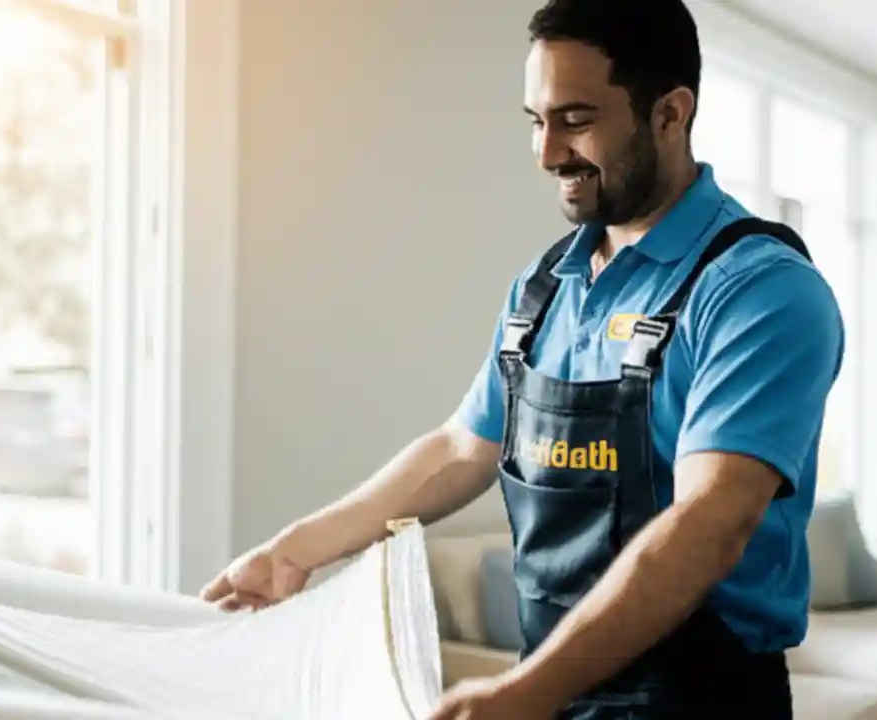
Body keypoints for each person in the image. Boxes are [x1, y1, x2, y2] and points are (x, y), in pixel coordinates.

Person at [201, 0, 843, 717]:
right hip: (555, 687)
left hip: (699, 700)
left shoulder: (761, 289)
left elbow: (709, 523)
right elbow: (458, 449)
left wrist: (528, 694)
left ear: (670, 113)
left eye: (576, 119)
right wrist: (296, 549)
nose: (546, 153)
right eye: (536, 122)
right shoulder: (546, 288)